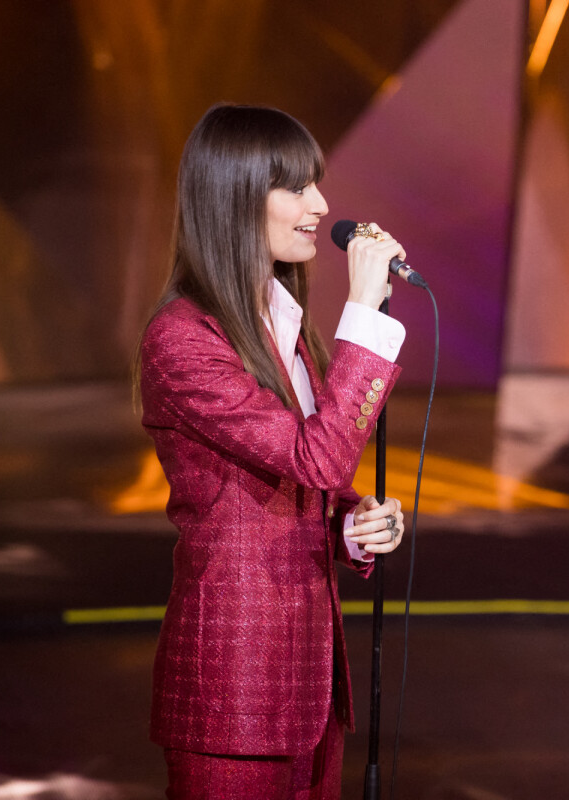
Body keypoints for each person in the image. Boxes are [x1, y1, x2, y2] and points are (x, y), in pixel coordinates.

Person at [137, 103, 410, 797]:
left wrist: (350, 525)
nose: (321, 205)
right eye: (296, 187)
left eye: (316, 184)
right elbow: (316, 456)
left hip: (311, 688)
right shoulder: (183, 339)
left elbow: (303, 482)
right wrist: (364, 314)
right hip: (236, 697)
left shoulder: (281, 323)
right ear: (234, 196)